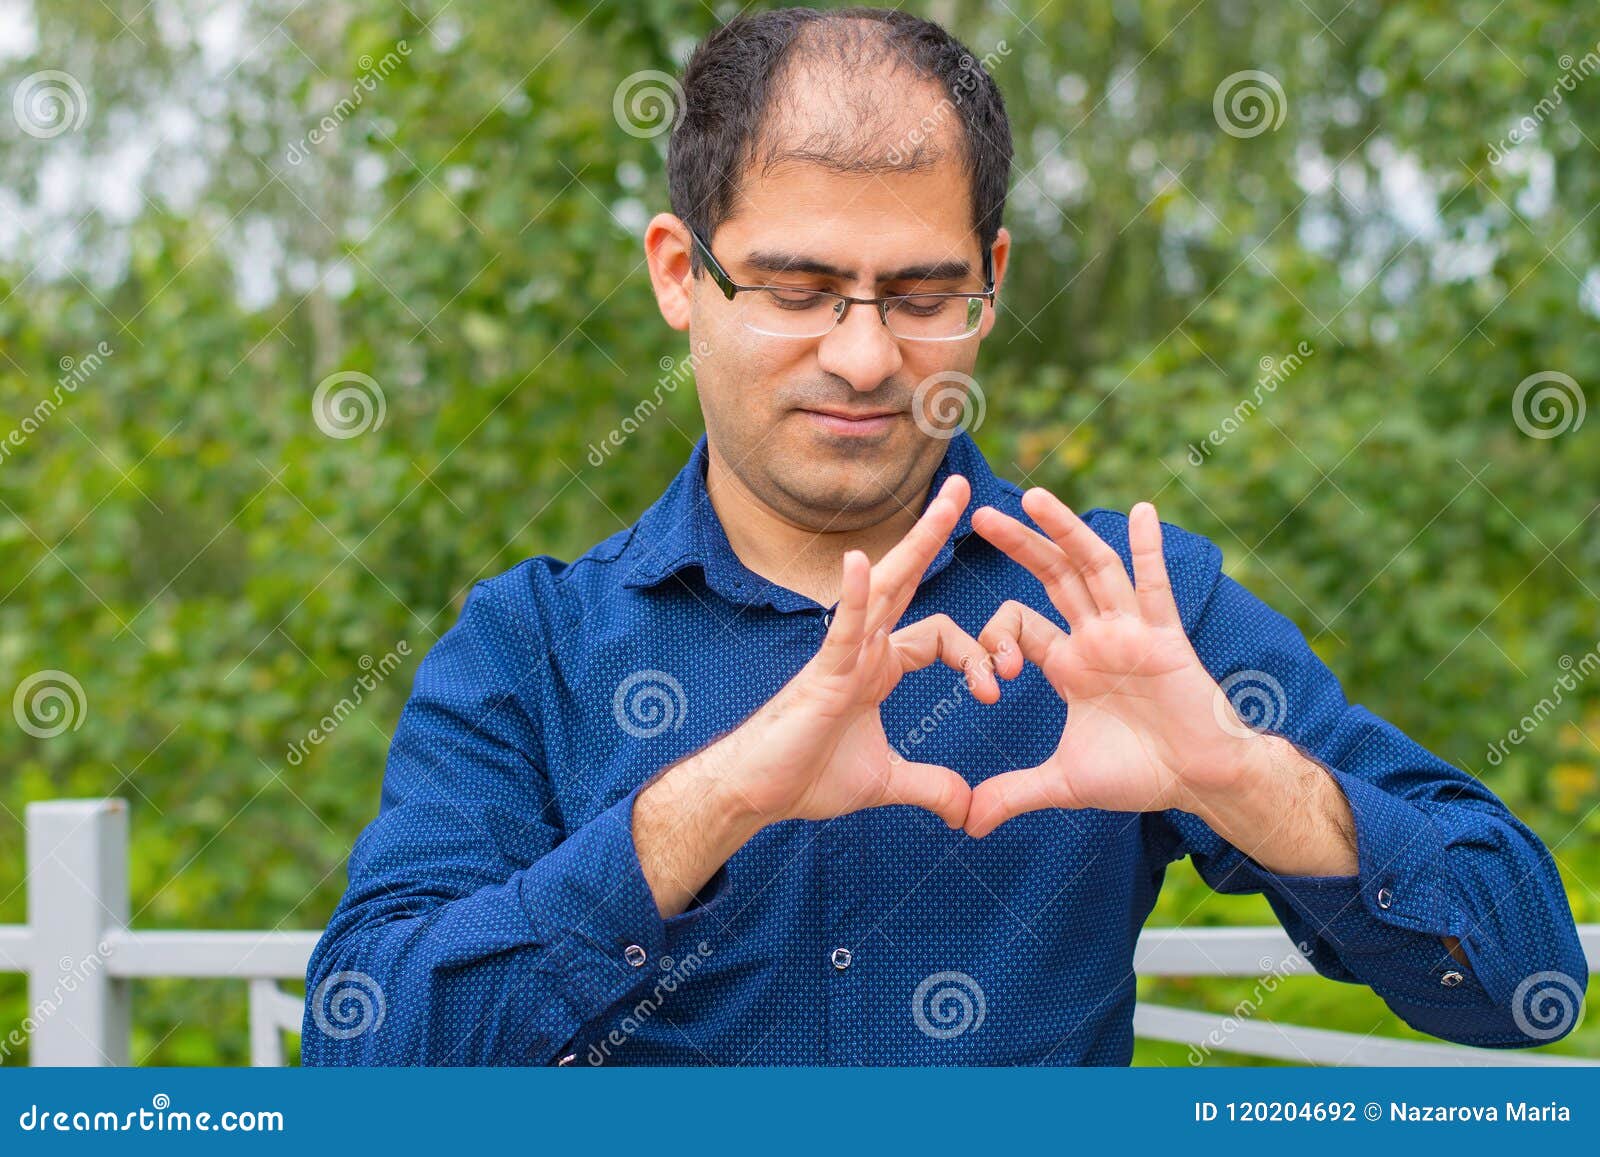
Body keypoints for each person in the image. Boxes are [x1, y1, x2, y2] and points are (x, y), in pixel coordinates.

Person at [303, 6, 1587, 1065]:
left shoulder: (1123, 611)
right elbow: (364, 1055)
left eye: (921, 296)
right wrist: (713, 803)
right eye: (798, 290)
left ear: (993, 280)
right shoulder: (529, 646)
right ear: (679, 275)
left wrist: (1243, 780)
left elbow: (1526, 980)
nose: (863, 358)